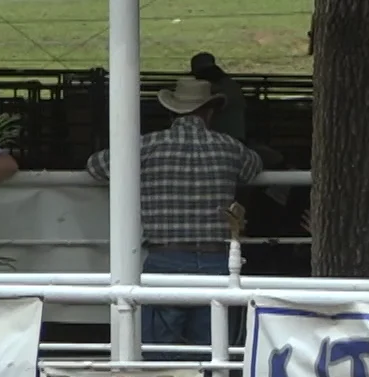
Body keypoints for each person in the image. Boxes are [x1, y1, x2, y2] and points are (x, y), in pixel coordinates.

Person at [86, 76, 262, 351]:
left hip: (165, 258)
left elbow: (96, 166)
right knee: (212, 349)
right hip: (217, 261)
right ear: (210, 112)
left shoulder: (146, 145)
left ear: (172, 112)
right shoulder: (230, 147)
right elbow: (254, 167)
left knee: (159, 353)